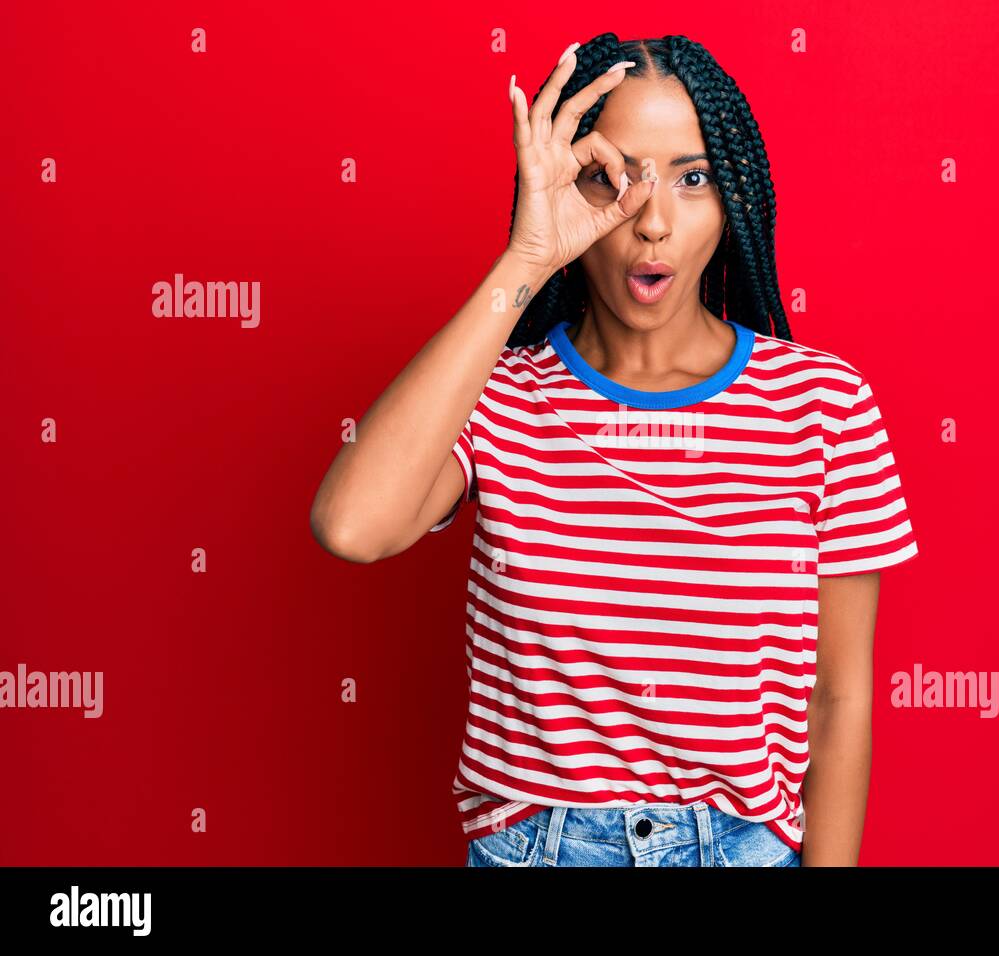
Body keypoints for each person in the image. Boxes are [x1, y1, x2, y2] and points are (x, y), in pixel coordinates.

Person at [310, 32, 919, 867]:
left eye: (692, 177)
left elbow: (838, 697)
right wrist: (527, 256)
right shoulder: (499, 395)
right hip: (540, 847)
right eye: (615, 176)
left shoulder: (822, 403)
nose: (654, 221)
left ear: (734, 195)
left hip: (745, 849)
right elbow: (352, 526)